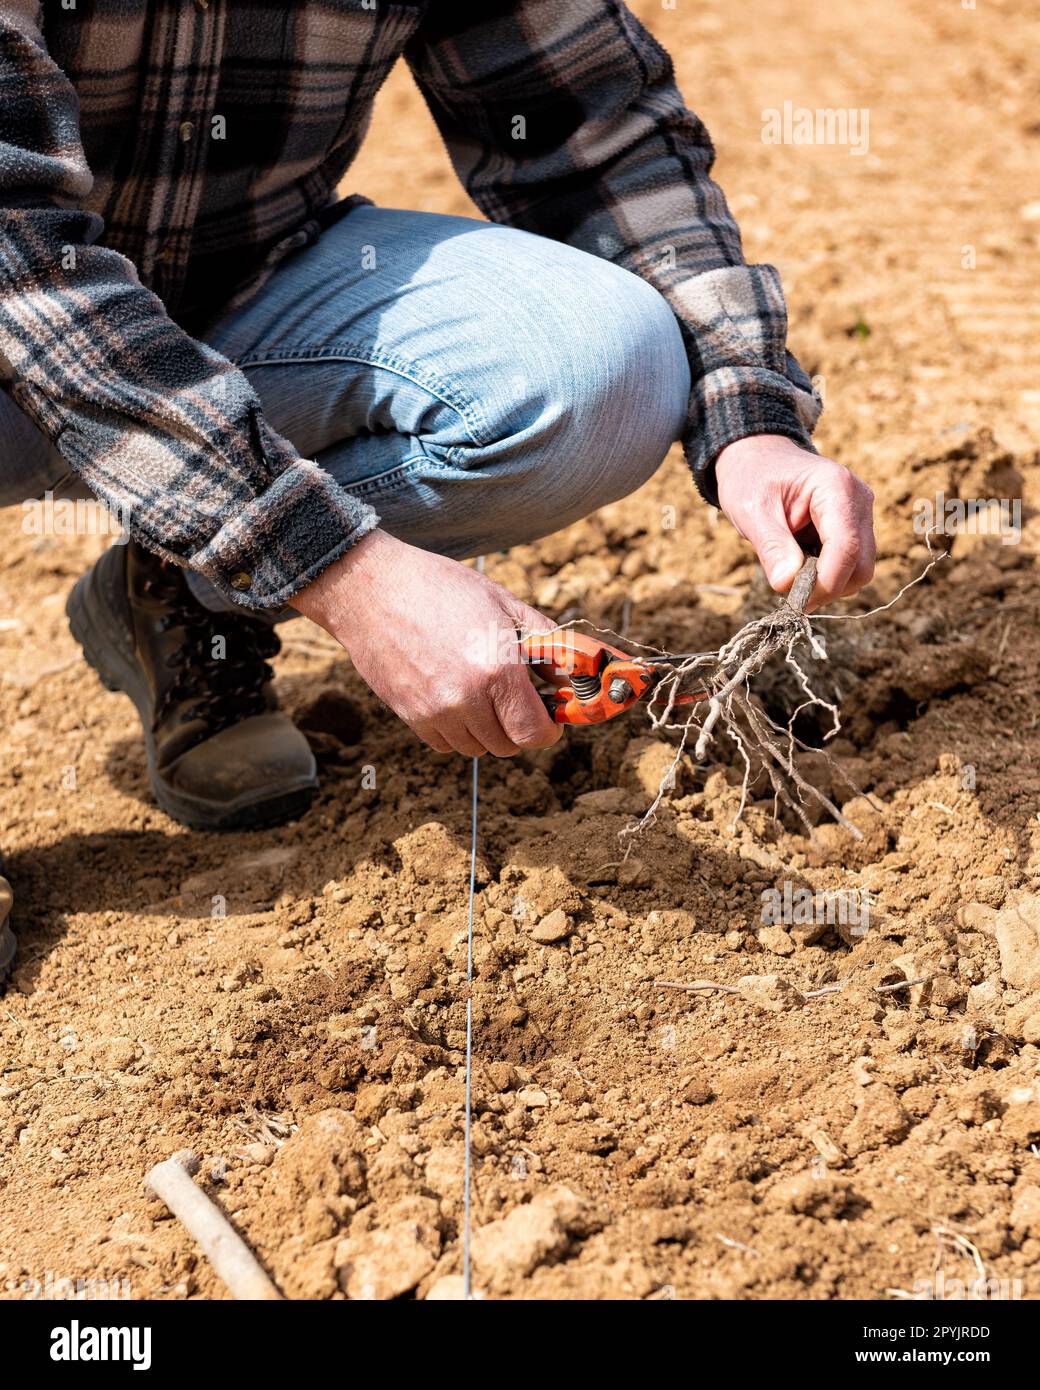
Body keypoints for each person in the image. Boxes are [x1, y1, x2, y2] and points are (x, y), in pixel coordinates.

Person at [0, 1, 875, 985]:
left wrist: (748, 416)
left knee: (602, 367)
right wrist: (345, 569)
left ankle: (184, 581)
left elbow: (594, 128)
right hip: (21, 316)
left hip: (235, 295)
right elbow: (25, 271)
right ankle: (234, 539)